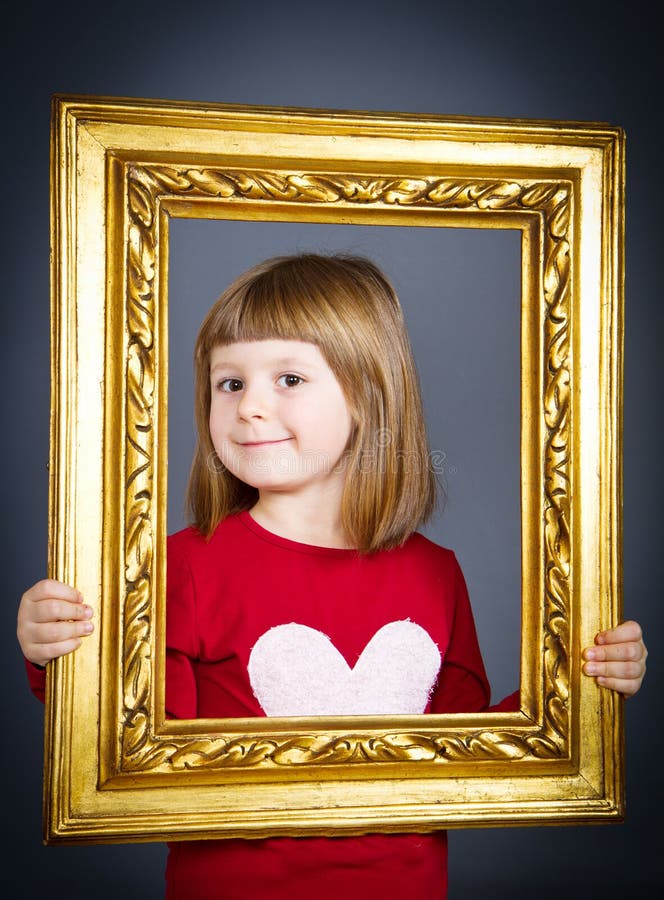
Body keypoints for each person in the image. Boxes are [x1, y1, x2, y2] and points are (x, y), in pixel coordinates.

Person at [18, 254, 647, 898]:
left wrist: (583, 682)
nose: (250, 408)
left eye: (288, 378)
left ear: (368, 394)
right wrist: (62, 654)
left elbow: (468, 749)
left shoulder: (435, 575)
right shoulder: (181, 567)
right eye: (228, 383)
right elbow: (131, 740)